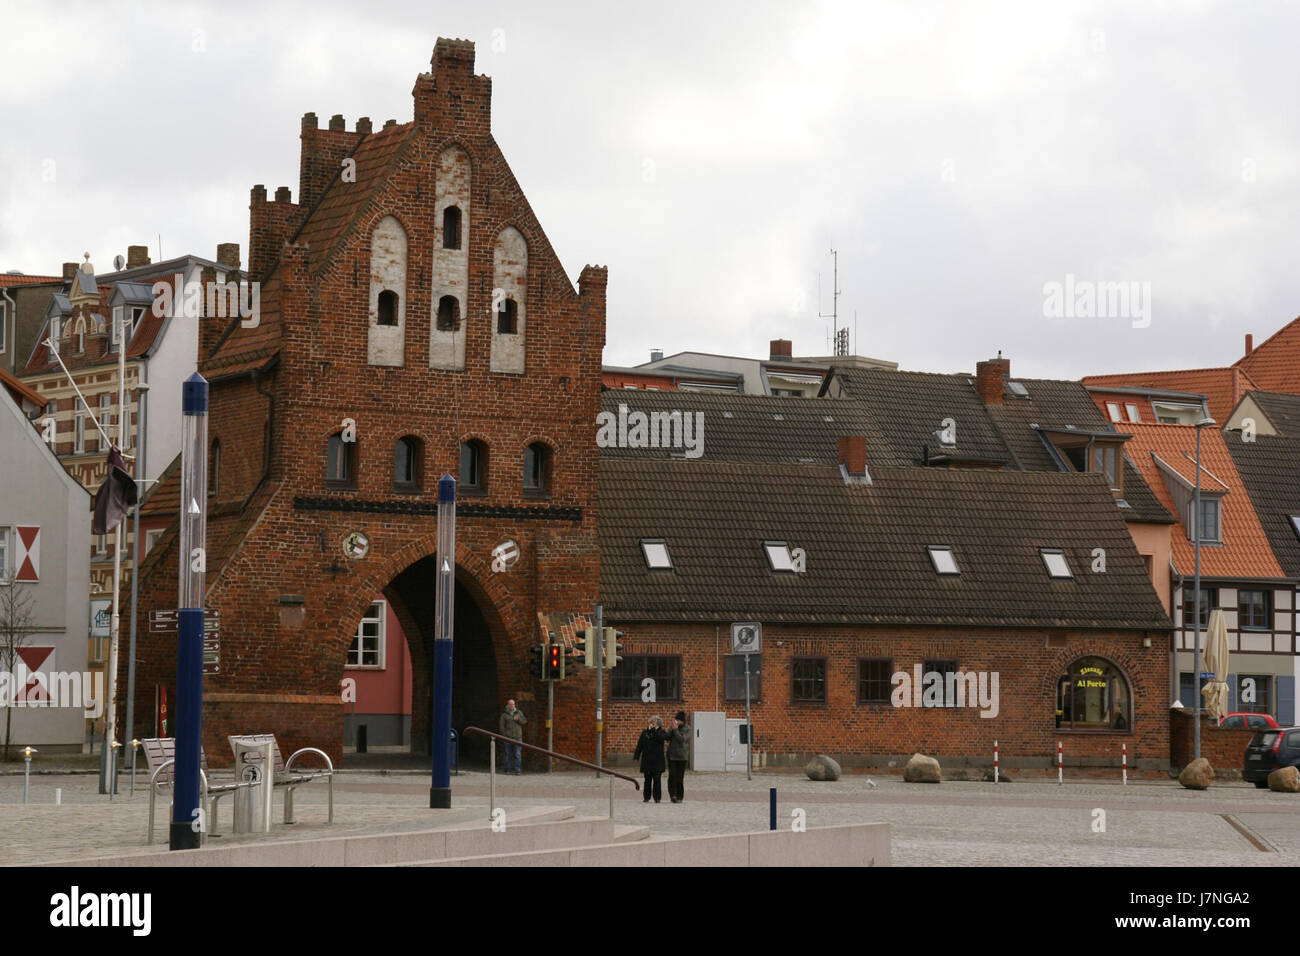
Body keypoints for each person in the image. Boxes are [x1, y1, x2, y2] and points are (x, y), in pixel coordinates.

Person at [633, 716, 668, 803]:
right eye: (650, 722)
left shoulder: (662, 732)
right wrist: (636, 756)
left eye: (653, 723)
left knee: (657, 780)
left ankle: (657, 797)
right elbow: (640, 745)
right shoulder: (645, 732)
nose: (651, 724)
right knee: (647, 780)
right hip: (647, 759)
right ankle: (646, 797)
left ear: (658, 724)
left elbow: (660, 739)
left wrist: (653, 731)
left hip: (657, 760)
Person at [666, 710, 690, 803]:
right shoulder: (673, 727)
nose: (677, 722)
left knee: (680, 777)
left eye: (678, 720)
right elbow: (667, 737)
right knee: (672, 776)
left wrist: (675, 729)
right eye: (676, 720)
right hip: (672, 755)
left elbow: (681, 739)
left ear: (682, 721)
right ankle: (673, 795)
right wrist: (671, 729)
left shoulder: (687, 728)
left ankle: (680, 796)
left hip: (682, 756)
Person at [498, 699, 526, 774]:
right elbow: (501, 727)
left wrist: (518, 719)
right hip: (508, 738)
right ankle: (507, 770)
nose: (511, 706)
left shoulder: (519, 712)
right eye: (510, 704)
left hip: (518, 738)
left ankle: (517, 770)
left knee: (517, 754)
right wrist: (505, 736)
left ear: (514, 705)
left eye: (513, 704)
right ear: (507, 705)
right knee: (507, 754)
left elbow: (524, 721)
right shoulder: (504, 715)